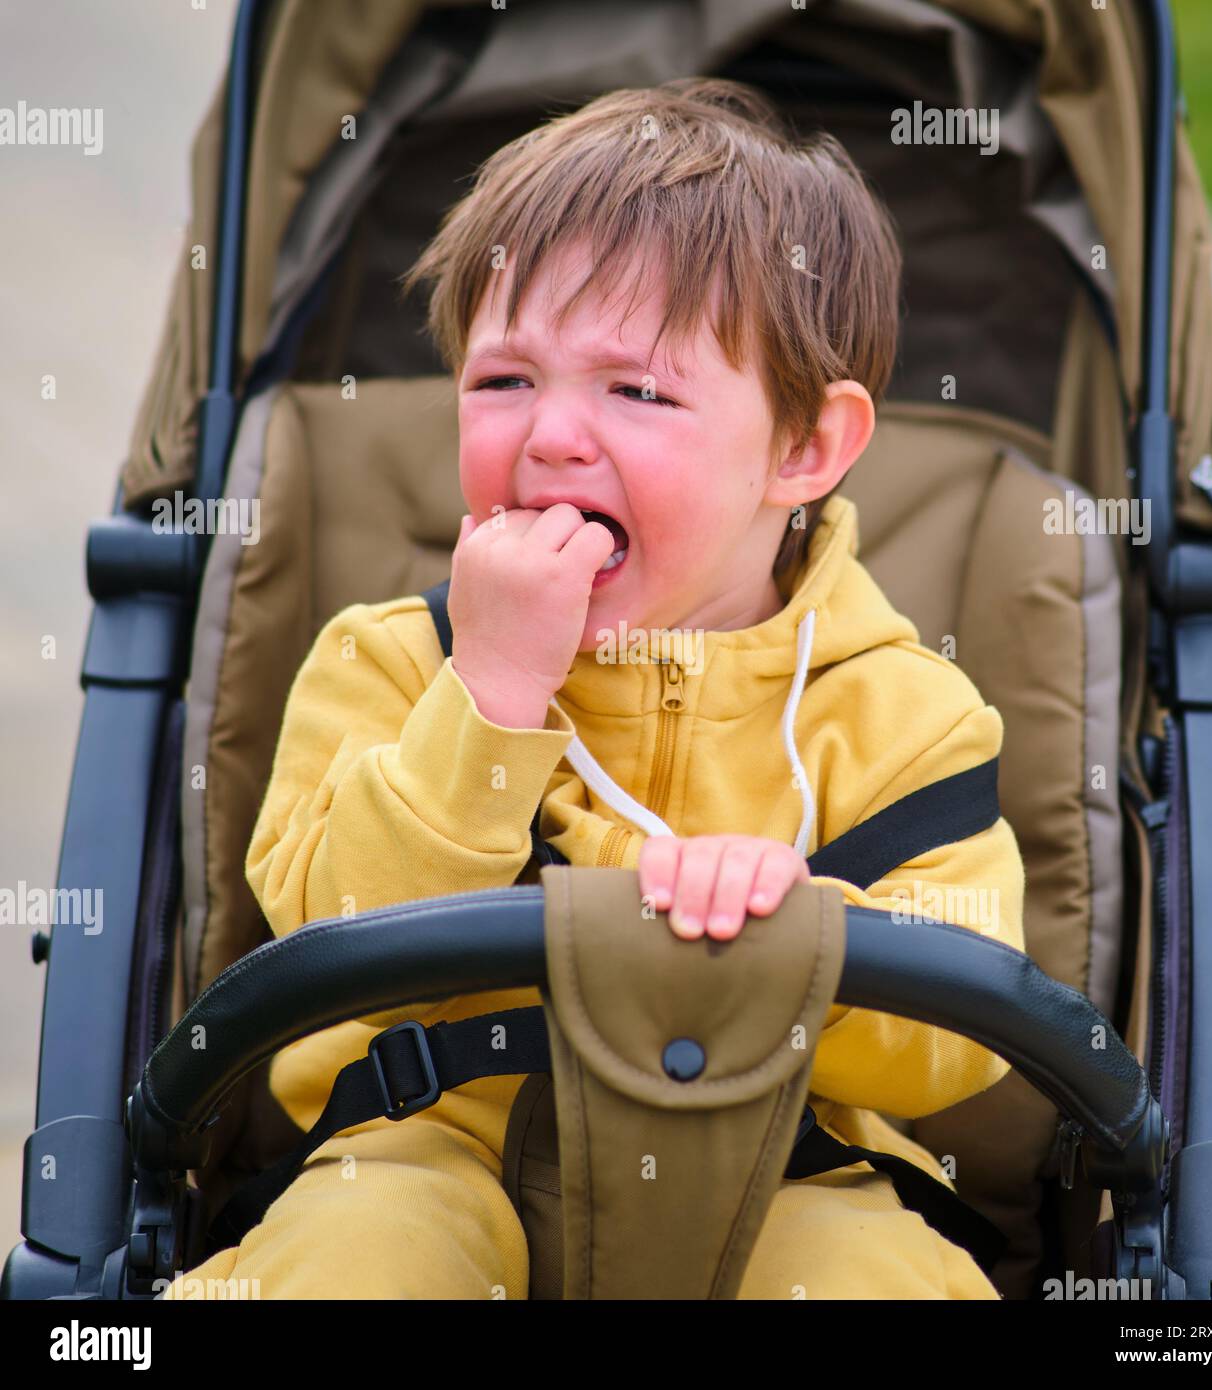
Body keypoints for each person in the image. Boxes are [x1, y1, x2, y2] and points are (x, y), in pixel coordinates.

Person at [163, 76, 1025, 1301]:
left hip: (784, 1166)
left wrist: (797, 941)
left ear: (801, 448)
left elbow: (961, 1034)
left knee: (871, 1277)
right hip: (424, 1142)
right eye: (502, 381)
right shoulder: (388, 661)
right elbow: (328, 929)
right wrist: (488, 695)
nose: (550, 437)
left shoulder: (903, 712)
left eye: (637, 391)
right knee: (355, 1256)